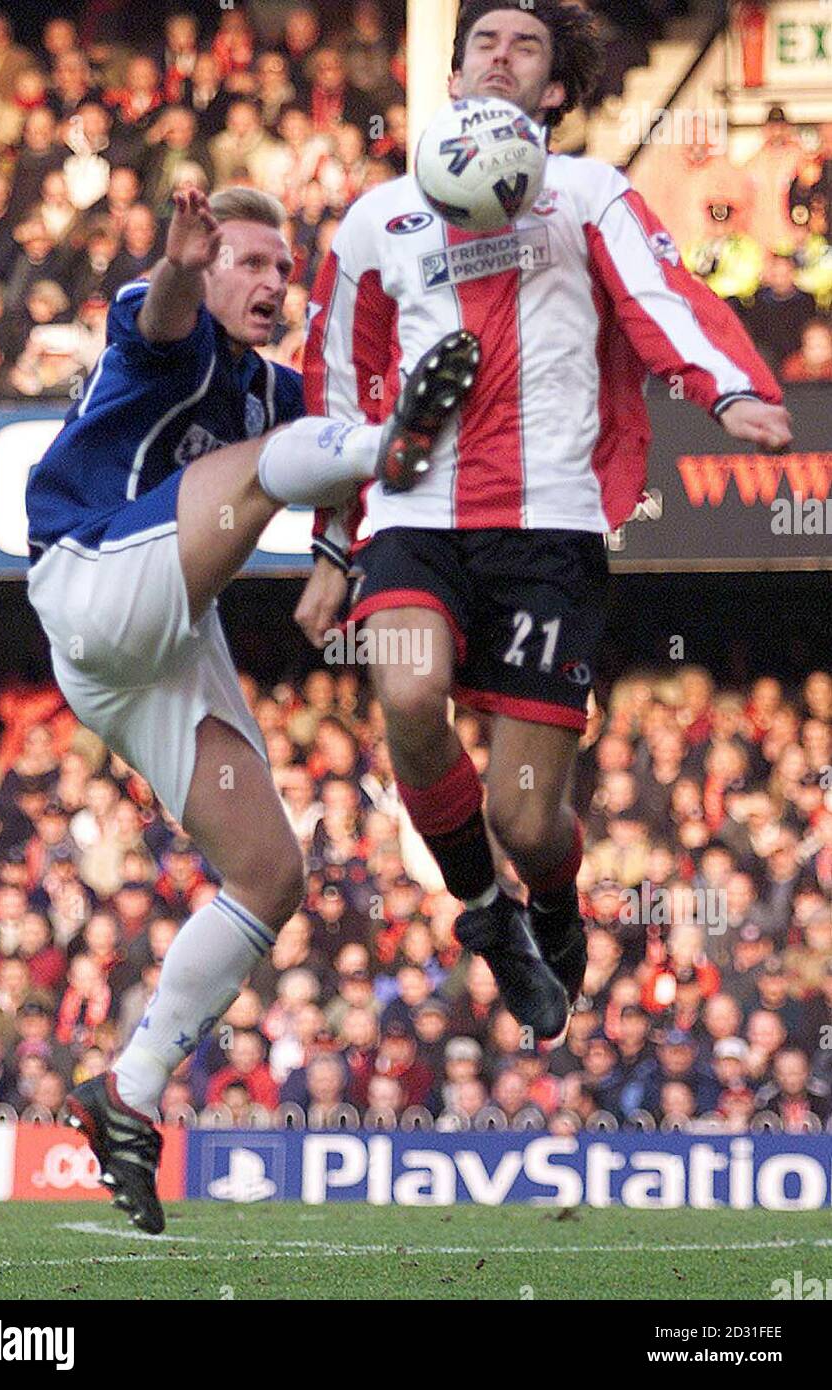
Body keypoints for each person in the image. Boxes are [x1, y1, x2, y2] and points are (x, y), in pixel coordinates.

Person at [298, 0, 792, 1049]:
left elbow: (665, 296)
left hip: (550, 529)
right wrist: (335, 544)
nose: (502, 56)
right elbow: (337, 388)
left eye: (527, 46)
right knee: (406, 686)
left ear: (555, 90)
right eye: (484, 42)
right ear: (456, 76)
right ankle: (490, 919)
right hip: (414, 511)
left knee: (529, 817)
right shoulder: (375, 218)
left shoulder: (589, 194)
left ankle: (553, 907)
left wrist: (724, 390)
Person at [19, 184, 479, 1234]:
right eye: (252, 263)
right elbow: (166, 309)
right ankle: (401, 438)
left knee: (272, 873)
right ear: (208, 263)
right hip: (91, 586)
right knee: (287, 456)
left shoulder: (272, 391)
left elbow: (313, 460)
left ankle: (127, 1092)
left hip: (149, 646)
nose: (274, 283)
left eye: (285, 269)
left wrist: (332, 558)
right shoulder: (160, 329)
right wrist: (181, 263)